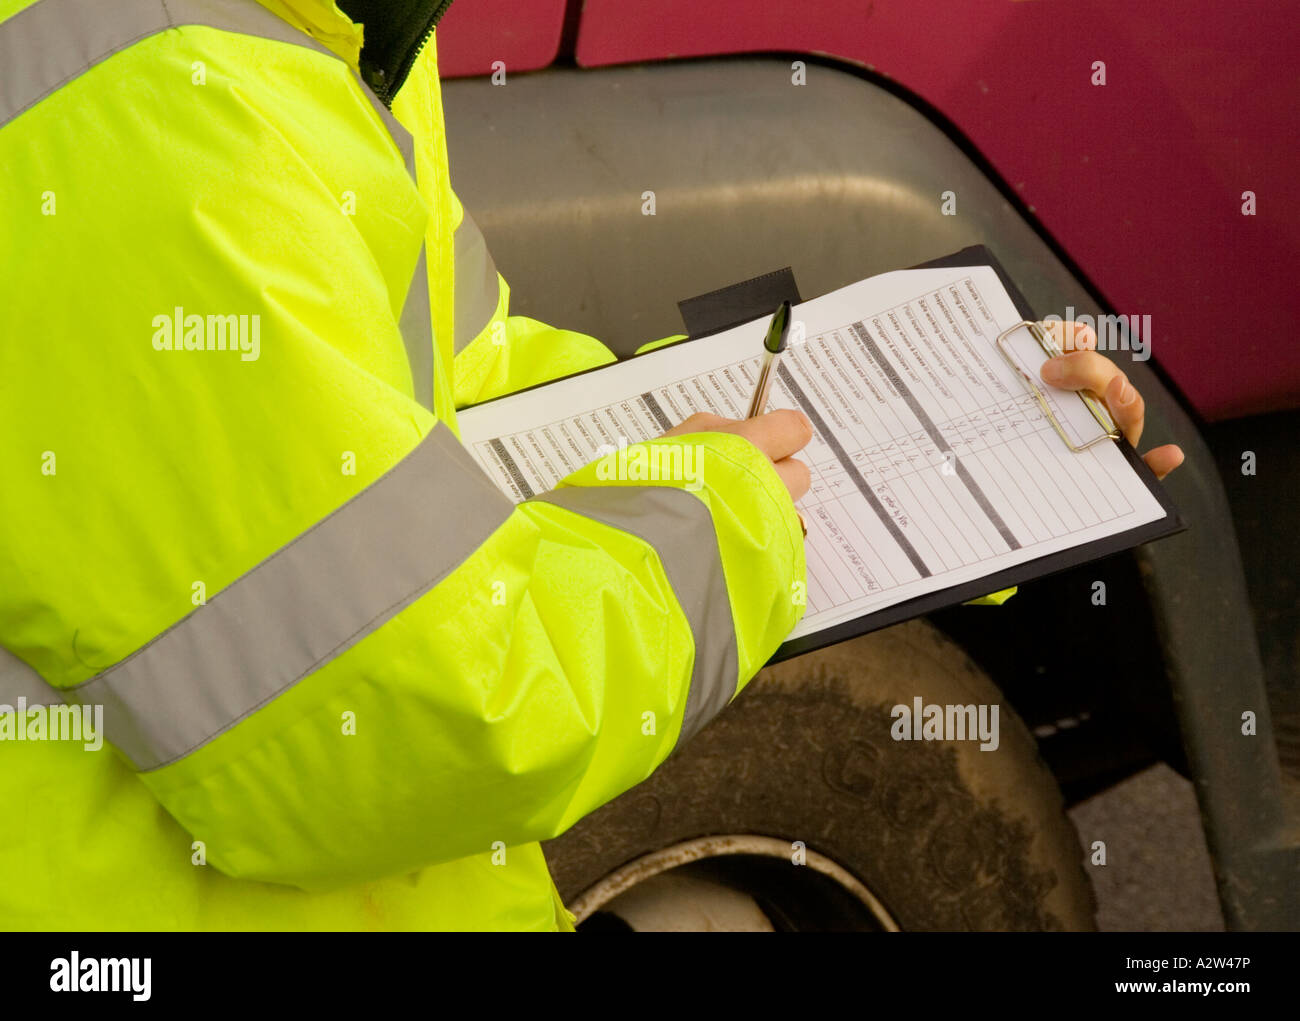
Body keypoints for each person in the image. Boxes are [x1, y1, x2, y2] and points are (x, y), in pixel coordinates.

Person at [0, 0, 1181, 931]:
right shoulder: (150, 103)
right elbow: (419, 721)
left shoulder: (325, 29)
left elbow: (458, 400)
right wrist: (726, 511)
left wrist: (916, 436)